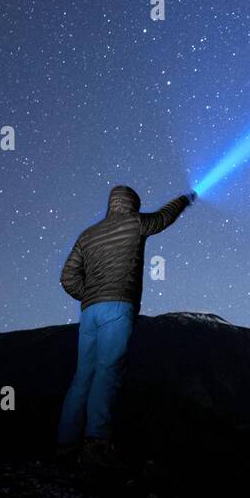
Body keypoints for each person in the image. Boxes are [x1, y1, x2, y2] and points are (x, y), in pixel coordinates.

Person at [56, 184, 195, 468]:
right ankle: (96, 444)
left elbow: (67, 277)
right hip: (118, 306)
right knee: (108, 371)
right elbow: (163, 218)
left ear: (110, 204)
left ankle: (65, 445)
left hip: (90, 312)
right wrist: (185, 199)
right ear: (132, 204)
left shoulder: (87, 235)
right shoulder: (136, 223)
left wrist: (90, 294)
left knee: (83, 375)